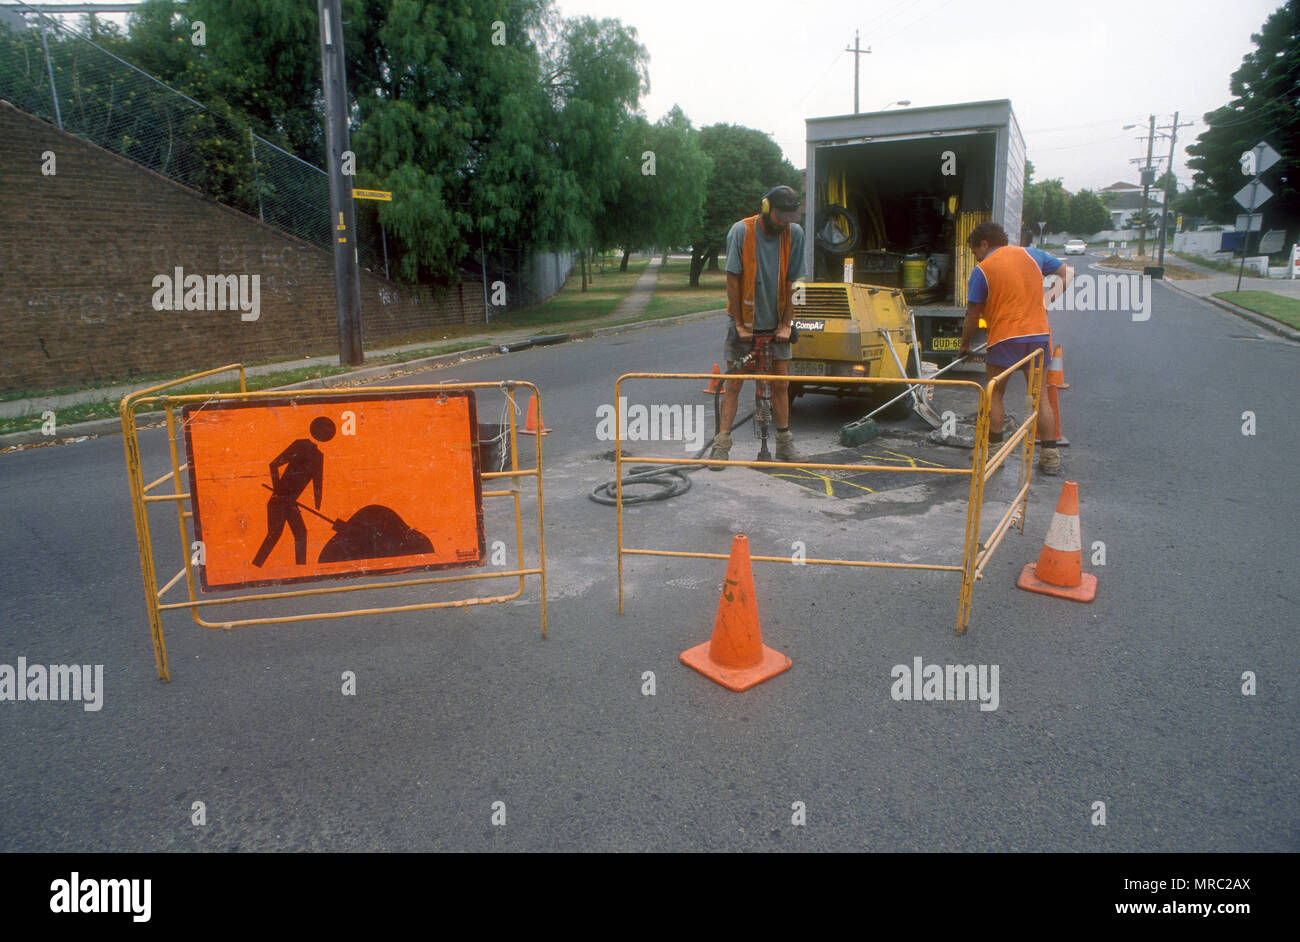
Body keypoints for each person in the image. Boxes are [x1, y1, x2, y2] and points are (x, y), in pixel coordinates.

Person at [958, 222, 1072, 475]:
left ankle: (994, 453)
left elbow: (972, 313)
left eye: (975, 250)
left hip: (1004, 339)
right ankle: (1050, 456)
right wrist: (1046, 301)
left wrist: (964, 344)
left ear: (985, 244)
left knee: (995, 394)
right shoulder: (1032, 254)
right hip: (1038, 336)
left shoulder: (982, 269)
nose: (975, 255)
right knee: (1040, 396)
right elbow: (1069, 273)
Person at [709, 185, 806, 467]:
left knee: (780, 384)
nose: (785, 223)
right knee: (734, 384)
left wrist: (787, 324)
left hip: (777, 325)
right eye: (780, 217)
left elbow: (796, 283)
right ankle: (722, 446)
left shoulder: (794, 234)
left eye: (790, 217)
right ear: (766, 209)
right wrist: (739, 324)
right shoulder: (741, 231)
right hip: (745, 324)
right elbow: (733, 280)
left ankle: (785, 446)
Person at [251, 416, 336, 567]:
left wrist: (318, 505)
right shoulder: (300, 445)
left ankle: (299, 569)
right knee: (275, 535)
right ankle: (256, 564)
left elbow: (318, 484)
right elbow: (273, 465)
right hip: (279, 501)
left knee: (300, 534)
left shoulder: (318, 456)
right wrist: (278, 491)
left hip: (289, 503)